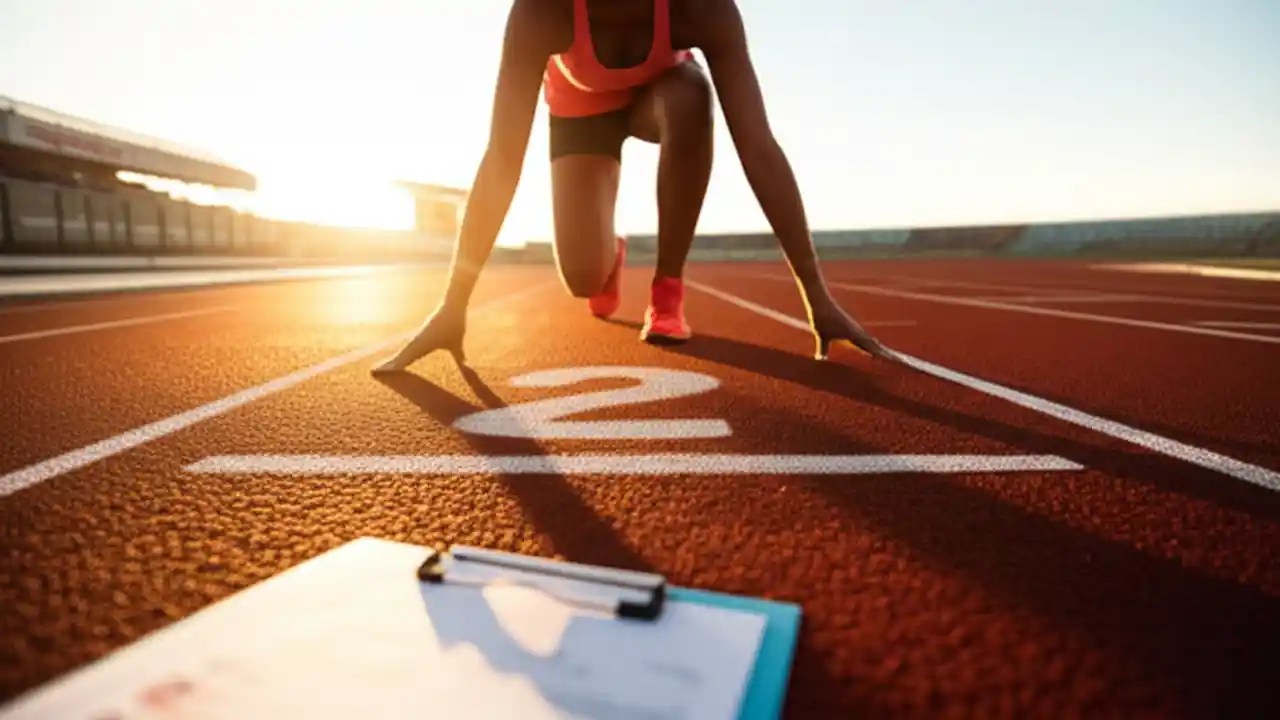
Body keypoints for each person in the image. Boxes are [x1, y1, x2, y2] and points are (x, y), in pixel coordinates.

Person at [374, 0, 889, 373]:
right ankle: (609, 260)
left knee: (692, 96)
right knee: (581, 280)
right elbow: (502, 156)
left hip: (660, 96)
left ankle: (667, 290)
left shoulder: (701, 10)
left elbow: (758, 146)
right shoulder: (540, 13)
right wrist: (454, 303)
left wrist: (816, 296)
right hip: (580, 110)